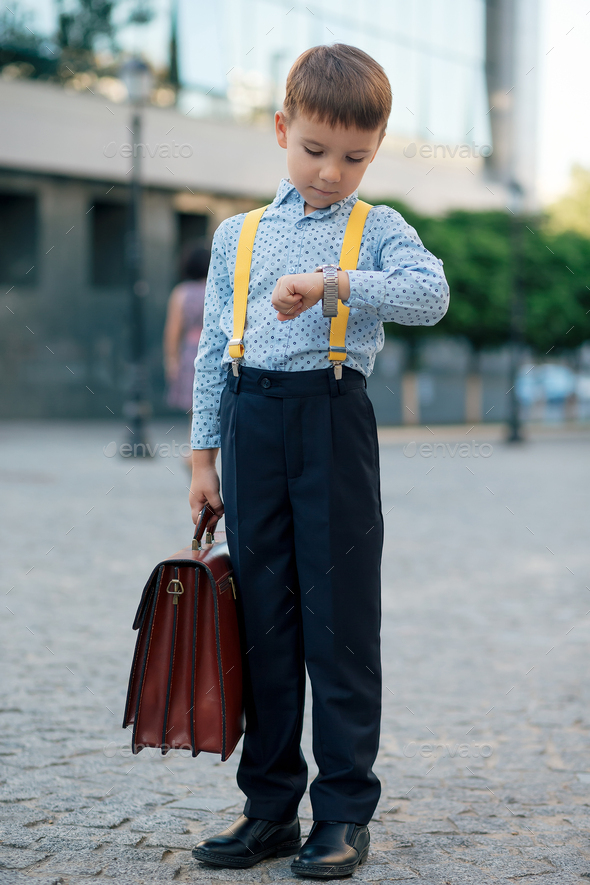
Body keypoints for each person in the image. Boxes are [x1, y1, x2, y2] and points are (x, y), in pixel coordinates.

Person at [188, 44, 449, 879]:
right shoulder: (238, 236)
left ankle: (341, 813)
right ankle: (267, 808)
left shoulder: (381, 230)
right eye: (314, 149)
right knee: (262, 622)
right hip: (250, 421)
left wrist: (335, 281)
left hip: (334, 421)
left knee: (339, 627)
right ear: (280, 129)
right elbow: (208, 352)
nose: (332, 172)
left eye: (353, 157)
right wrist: (202, 459)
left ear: (374, 152)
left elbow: (431, 296)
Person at [163, 245, 210, 413]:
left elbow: (173, 331)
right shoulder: (215, 290)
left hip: (190, 353)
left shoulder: (181, 292)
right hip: (214, 349)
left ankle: (194, 440)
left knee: (194, 410)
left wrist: (171, 361)